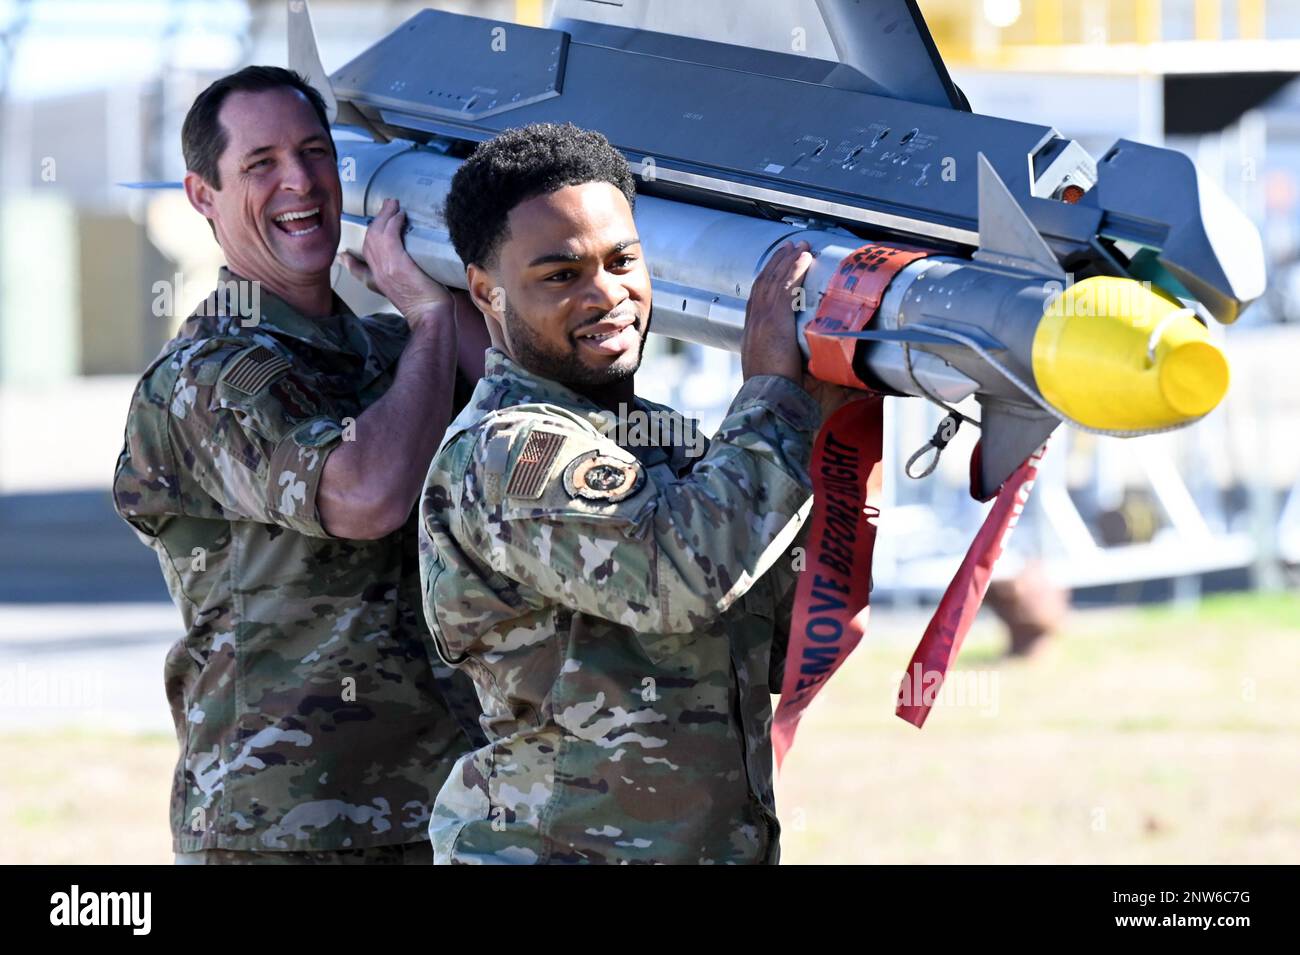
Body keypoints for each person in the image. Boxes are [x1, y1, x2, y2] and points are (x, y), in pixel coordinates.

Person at [419, 122, 855, 864]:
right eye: (561, 275)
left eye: (623, 260)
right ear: (488, 292)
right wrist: (775, 395)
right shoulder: (506, 450)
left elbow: (773, 637)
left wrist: (827, 422)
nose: (607, 295)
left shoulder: (660, 439)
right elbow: (678, 576)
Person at [113, 66, 487, 864]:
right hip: (285, 829)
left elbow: (539, 388)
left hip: (444, 811)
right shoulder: (208, 375)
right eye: (260, 165)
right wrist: (428, 318)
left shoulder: (391, 348)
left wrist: (455, 272)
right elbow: (365, 495)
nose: (299, 181)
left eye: (315, 152)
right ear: (202, 196)